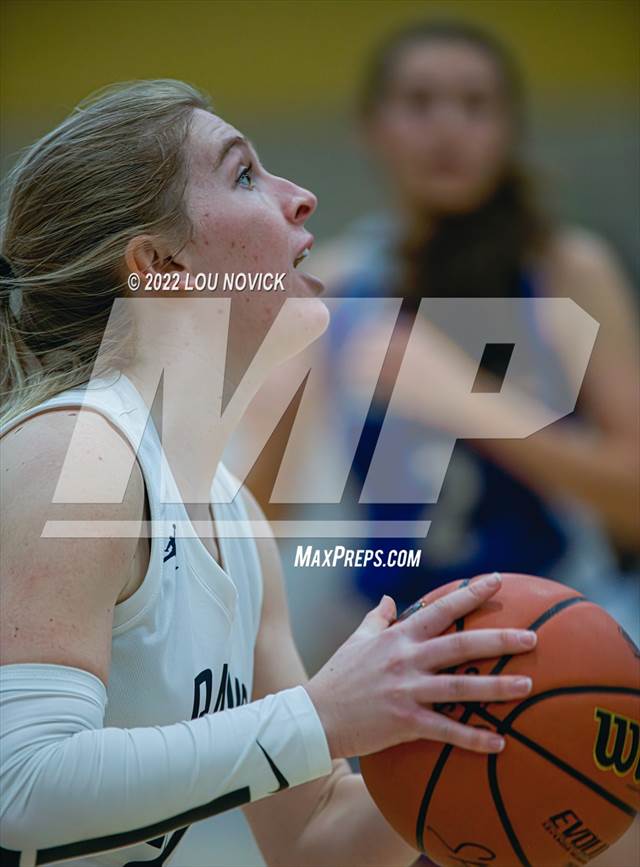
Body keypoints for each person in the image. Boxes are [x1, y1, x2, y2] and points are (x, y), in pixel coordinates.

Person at [0, 80, 539, 867]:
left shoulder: (232, 515)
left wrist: (489, 749)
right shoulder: (73, 452)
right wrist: (324, 715)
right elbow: (19, 787)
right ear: (161, 265)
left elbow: (312, 832)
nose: (303, 197)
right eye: (245, 174)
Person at [312, 20, 639, 642]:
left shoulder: (568, 269)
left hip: (555, 627)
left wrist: (468, 401)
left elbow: (632, 504)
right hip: (386, 639)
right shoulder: (335, 284)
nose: (447, 127)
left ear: (510, 128)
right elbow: (255, 511)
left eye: (475, 104)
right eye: (419, 102)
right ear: (371, 127)